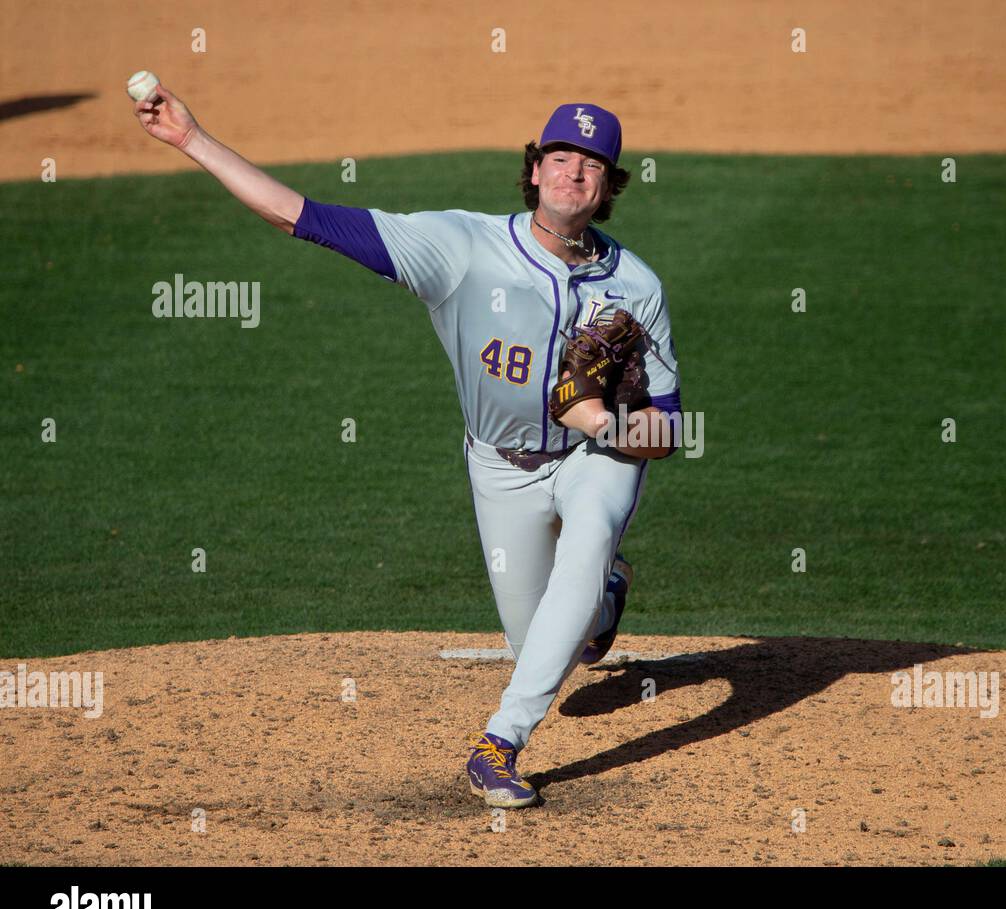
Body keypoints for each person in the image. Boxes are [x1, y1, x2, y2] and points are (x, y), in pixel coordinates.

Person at [134, 88, 683, 809]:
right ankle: (602, 609)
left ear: (610, 185)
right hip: (499, 466)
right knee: (552, 648)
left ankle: (499, 743)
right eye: (559, 157)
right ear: (534, 168)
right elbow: (304, 217)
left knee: (591, 536)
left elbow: (671, 430)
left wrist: (604, 425)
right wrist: (192, 139)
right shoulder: (460, 247)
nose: (572, 173)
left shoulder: (636, 286)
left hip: (596, 461)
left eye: (591, 164)